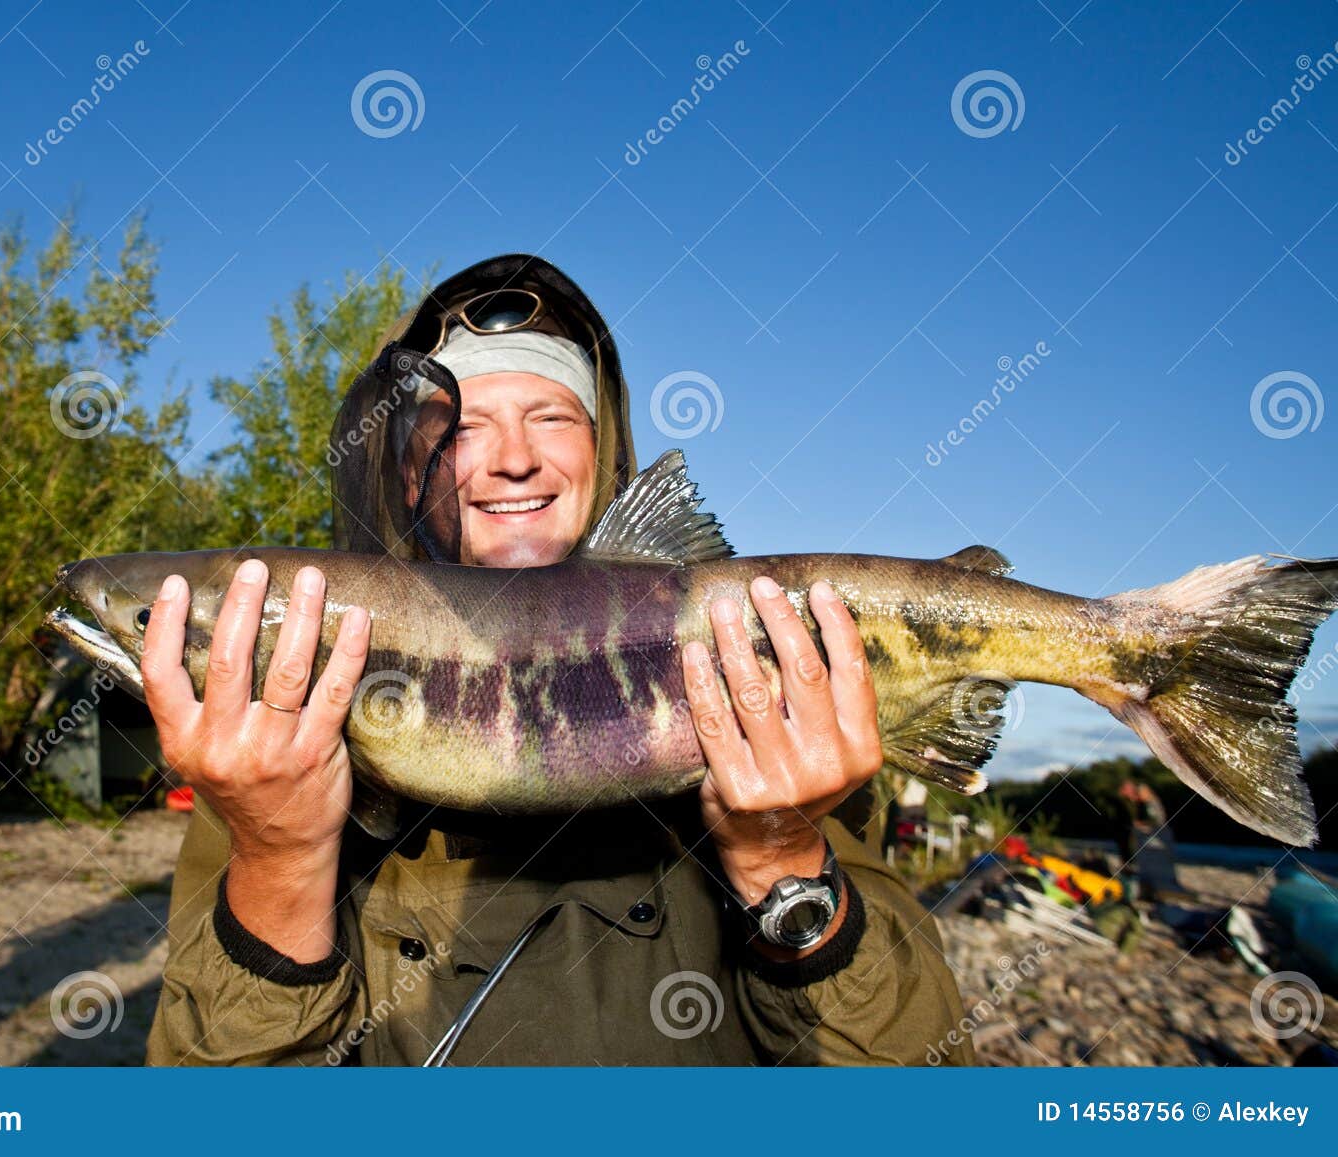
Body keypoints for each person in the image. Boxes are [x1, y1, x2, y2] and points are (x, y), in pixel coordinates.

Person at [144, 254, 974, 1065]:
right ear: (406, 472)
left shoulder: (788, 709)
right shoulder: (259, 755)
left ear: (603, 453)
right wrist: (281, 861)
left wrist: (784, 864)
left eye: (550, 416)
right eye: (465, 428)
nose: (514, 457)